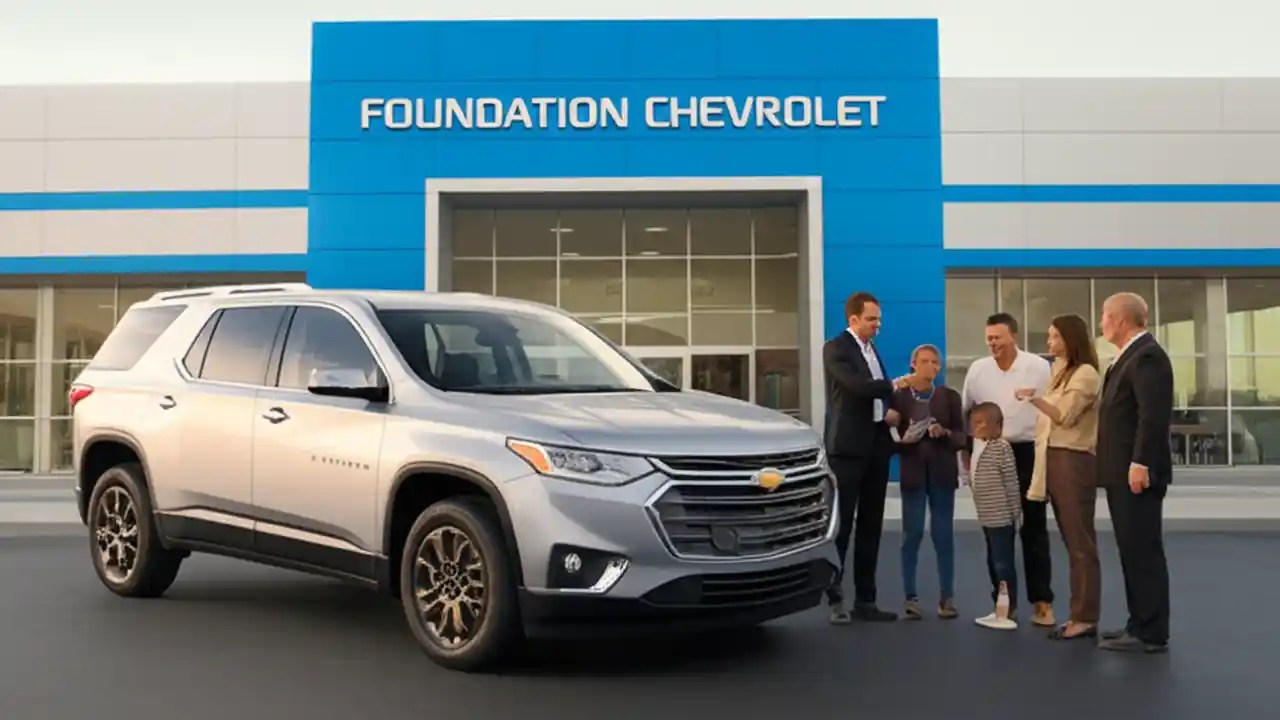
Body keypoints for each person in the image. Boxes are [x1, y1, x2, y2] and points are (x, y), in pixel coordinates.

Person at [822, 290, 913, 624]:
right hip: (847, 449)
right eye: (872, 319)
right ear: (854, 320)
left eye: (879, 319)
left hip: (875, 445)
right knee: (842, 525)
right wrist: (897, 383)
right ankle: (835, 598)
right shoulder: (835, 348)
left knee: (871, 525)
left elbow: (872, 395)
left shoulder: (870, 349)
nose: (878, 325)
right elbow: (857, 387)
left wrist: (886, 413)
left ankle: (866, 601)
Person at [961, 313, 1055, 626]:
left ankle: (1041, 602)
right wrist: (967, 460)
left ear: (1013, 336)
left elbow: (1052, 409)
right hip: (989, 454)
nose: (993, 343)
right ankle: (1004, 606)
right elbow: (967, 414)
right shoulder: (977, 370)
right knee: (996, 534)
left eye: (998, 337)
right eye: (989, 338)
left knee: (1034, 529)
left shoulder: (1039, 367)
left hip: (1027, 453)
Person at [1094, 292, 1173, 653]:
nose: (1101, 324)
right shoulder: (1128, 357)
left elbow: (1151, 417)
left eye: (1105, 317)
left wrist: (1139, 464)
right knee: (1130, 549)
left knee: (1142, 551)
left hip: (1135, 474)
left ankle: (1151, 631)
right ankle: (1138, 621)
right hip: (1120, 473)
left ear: (1121, 320)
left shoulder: (1147, 357)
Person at [1016, 314, 1103, 641]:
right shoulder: (1060, 370)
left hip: (1073, 459)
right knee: (1071, 541)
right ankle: (1078, 613)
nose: (1049, 342)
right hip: (1053, 457)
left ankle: (1084, 617)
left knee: (1080, 543)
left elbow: (1064, 415)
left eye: (1054, 336)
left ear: (1070, 338)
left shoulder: (1086, 374)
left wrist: (1033, 398)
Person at [889, 344, 966, 620]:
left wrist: (943, 431)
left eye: (934, 362)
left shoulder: (949, 397)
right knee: (912, 535)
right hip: (913, 475)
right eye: (923, 361)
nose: (929, 366)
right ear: (912, 364)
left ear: (940, 367)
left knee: (943, 536)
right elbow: (889, 442)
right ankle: (911, 597)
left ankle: (947, 598)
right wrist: (904, 435)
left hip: (943, 475)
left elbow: (962, 437)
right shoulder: (898, 398)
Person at [967, 401, 1023, 631]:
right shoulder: (978, 447)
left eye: (982, 423)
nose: (977, 428)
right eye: (974, 423)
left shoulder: (1002, 448)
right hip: (987, 518)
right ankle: (998, 605)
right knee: (992, 562)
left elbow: (1011, 482)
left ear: (997, 426)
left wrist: (1016, 512)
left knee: (1003, 564)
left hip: (1002, 517)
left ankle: (1007, 609)